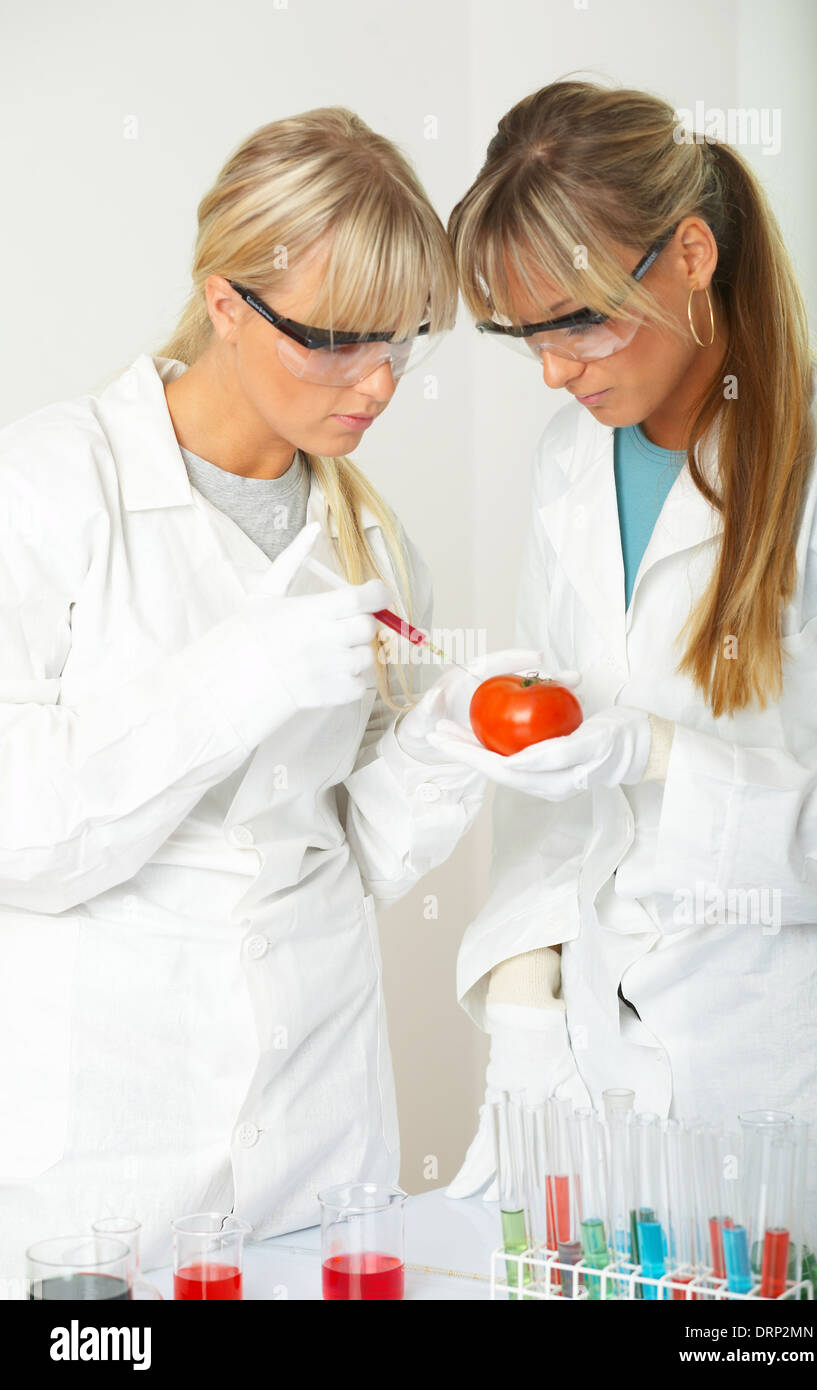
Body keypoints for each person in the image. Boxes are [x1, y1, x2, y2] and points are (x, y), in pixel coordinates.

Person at [0, 107, 520, 1284]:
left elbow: (349, 854)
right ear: (227, 300)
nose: (380, 381)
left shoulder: (372, 546)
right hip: (109, 1143)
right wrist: (231, 683)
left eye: (406, 340)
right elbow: (18, 834)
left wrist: (449, 741)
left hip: (317, 1127)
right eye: (337, 338)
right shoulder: (49, 490)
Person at [433, 79, 817, 1262]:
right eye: (524, 333)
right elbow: (552, 782)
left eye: (580, 319)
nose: (552, 371)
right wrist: (522, 999)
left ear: (689, 254)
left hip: (782, 1086)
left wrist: (674, 760)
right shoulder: (568, 463)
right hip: (595, 1082)